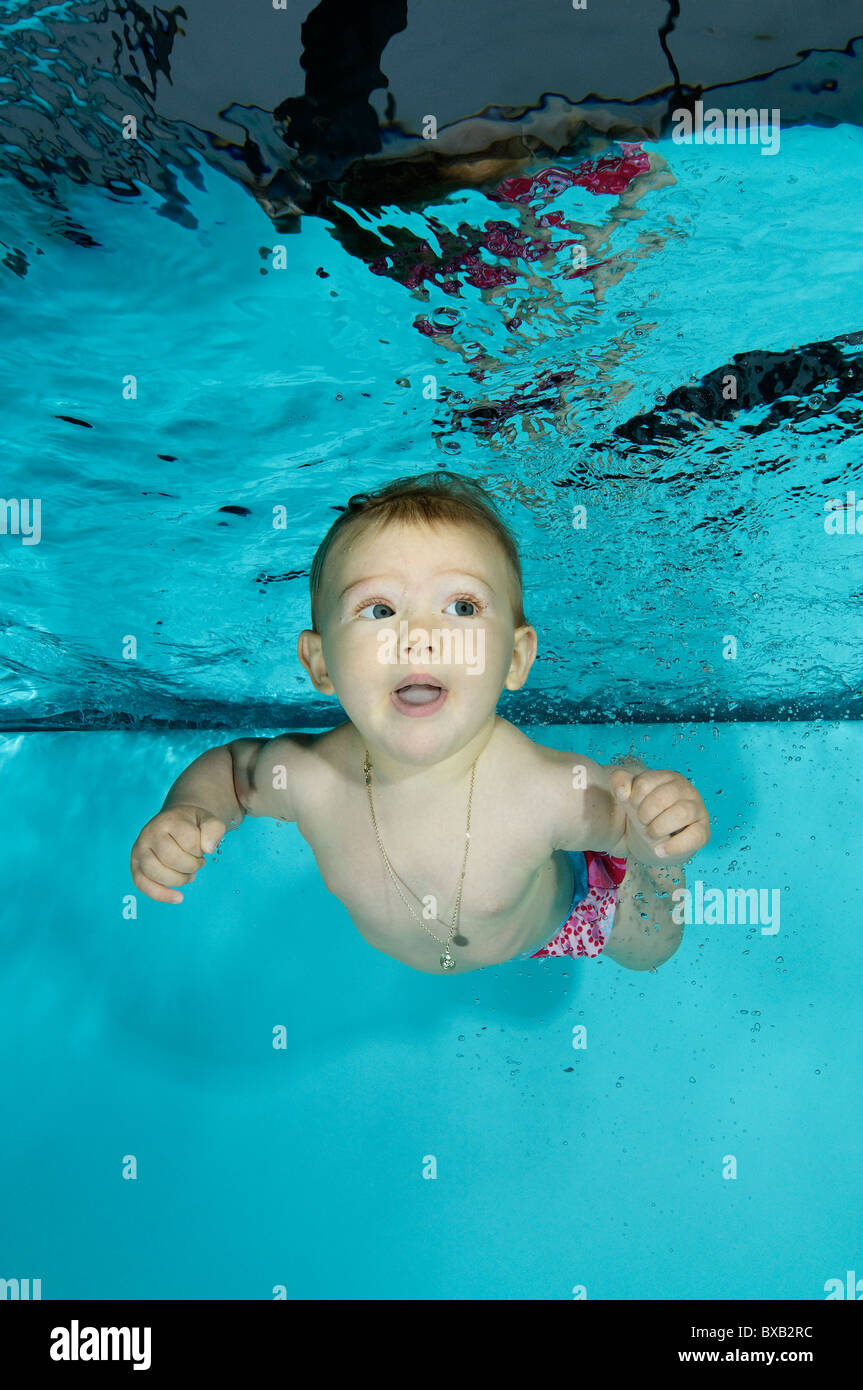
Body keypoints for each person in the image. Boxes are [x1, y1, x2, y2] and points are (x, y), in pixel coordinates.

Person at [130, 471, 710, 974]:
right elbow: (233, 772)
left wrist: (659, 833)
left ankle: (635, 782)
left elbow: (634, 838)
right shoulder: (305, 776)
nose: (419, 636)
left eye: (462, 607)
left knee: (657, 946)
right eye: (379, 610)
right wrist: (189, 811)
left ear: (514, 657)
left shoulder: (549, 791)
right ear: (320, 662)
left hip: (568, 913)